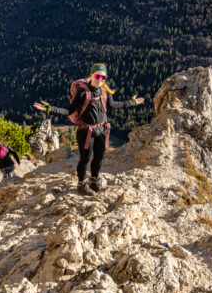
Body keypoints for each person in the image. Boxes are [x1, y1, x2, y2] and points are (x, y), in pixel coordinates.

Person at [33, 63, 144, 195]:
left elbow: (113, 105)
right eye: (98, 76)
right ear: (91, 75)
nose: (100, 80)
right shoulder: (82, 92)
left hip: (102, 129)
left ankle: (94, 180)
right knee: (85, 159)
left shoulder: (105, 91)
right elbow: (70, 110)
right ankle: (81, 184)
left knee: (99, 157)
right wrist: (50, 108)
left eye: (104, 77)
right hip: (86, 132)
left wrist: (131, 102)